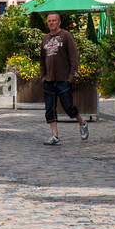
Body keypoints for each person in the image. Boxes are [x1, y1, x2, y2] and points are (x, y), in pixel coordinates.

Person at [40, 12, 88, 145]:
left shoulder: (66, 36)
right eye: (49, 21)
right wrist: (43, 76)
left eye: (54, 20)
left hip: (63, 79)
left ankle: (82, 123)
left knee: (68, 107)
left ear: (59, 22)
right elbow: (42, 59)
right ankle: (55, 136)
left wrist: (71, 76)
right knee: (50, 108)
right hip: (49, 80)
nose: (51, 23)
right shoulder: (45, 38)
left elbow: (74, 57)